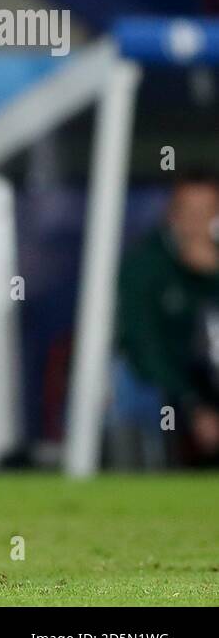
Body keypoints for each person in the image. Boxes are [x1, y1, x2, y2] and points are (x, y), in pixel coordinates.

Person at [118, 173, 219, 465]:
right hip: (172, 394)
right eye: (189, 213)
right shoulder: (146, 268)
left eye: (207, 213)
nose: (197, 224)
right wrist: (193, 404)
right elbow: (145, 349)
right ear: (172, 215)